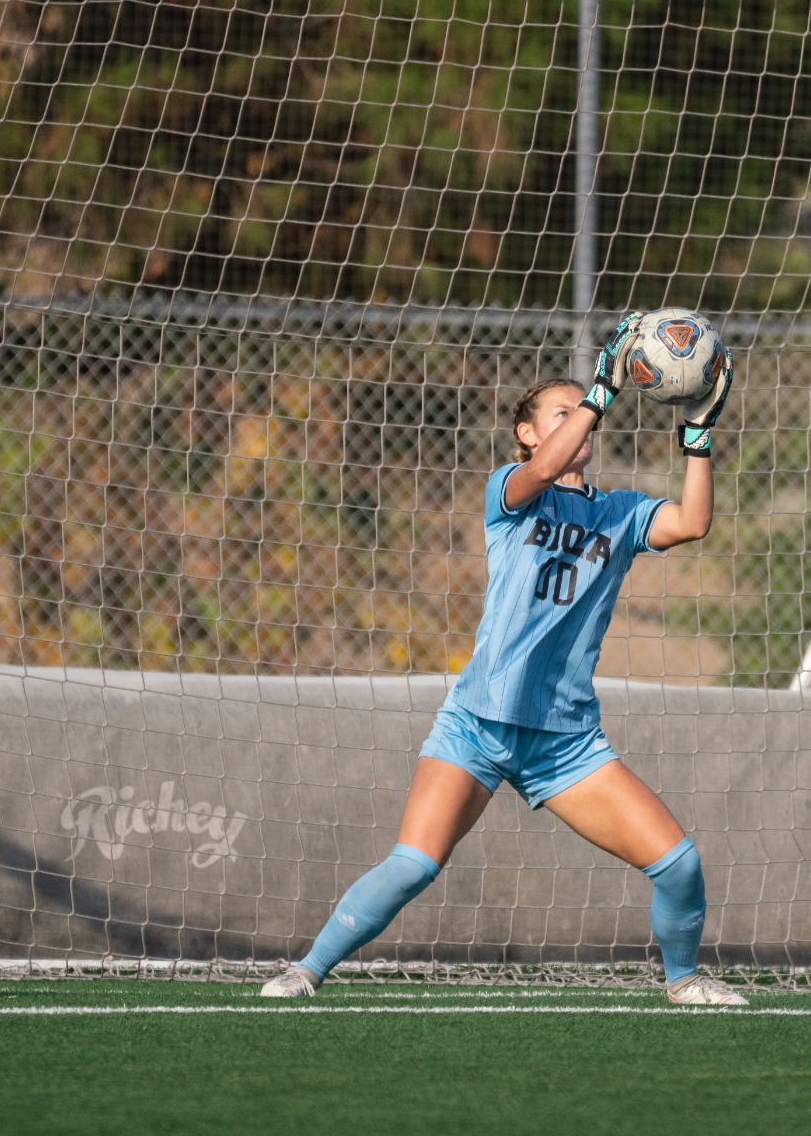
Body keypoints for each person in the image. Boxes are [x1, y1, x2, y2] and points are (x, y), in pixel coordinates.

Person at [262, 313, 746, 1006]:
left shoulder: (619, 512)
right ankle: (306, 970)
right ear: (526, 433)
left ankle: (684, 980)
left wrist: (698, 433)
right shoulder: (512, 492)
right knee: (413, 865)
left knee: (679, 865)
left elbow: (692, 522)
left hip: (565, 742)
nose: (578, 420)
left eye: (581, 411)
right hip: (476, 725)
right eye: (559, 413)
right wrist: (601, 390)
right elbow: (546, 469)